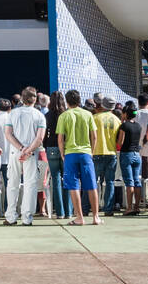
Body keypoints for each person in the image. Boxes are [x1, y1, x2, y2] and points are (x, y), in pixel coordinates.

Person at [4, 86, 47, 226]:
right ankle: (27, 217)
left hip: (15, 151)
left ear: (22, 98)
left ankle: (10, 217)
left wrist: (21, 149)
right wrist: (27, 151)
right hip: (31, 152)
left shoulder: (13, 114)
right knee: (30, 185)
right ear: (35, 99)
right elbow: (40, 138)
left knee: (12, 184)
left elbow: (8, 134)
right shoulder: (39, 115)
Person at [58, 90, 99, 225]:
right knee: (91, 185)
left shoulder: (64, 116)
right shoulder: (88, 114)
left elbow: (60, 138)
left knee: (73, 186)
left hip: (70, 153)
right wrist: (91, 152)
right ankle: (96, 217)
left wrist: (62, 153)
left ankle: (79, 217)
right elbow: (94, 136)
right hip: (86, 153)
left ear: (67, 101)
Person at [90, 96, 121, 215]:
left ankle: (88, 207)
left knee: (92, 181)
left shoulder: (95, 118)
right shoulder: (116, 120)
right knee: (110, 182)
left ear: (102, 105)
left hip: (96, 152)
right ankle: (108, 209)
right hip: (111, 153)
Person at [43, 91, 68, 219]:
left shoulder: (47, 116)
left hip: (52, 147)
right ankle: (69, 211)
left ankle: (60, 212)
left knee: (56, 180)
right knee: (67, 179)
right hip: (66, 147)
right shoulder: (66, 115)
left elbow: (44, 134)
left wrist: (45, 145)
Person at [115, 103, 143, 215]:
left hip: (127, 154)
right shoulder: (138, 126)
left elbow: (120, 143)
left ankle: (129, 207)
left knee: (129, 182)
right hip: (137, 155)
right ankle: (137, 207)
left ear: (125, 114)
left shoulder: (124, 126)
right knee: (137, 181)